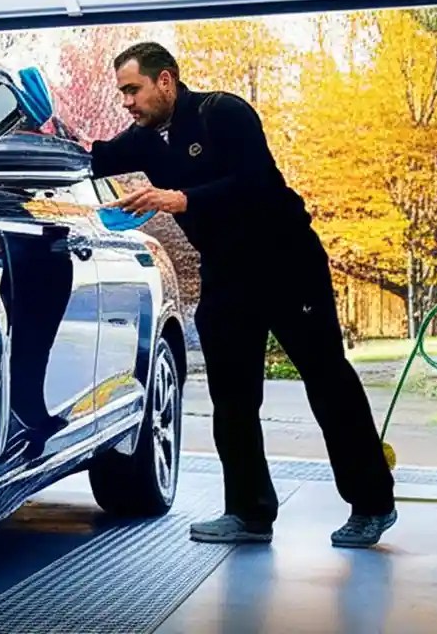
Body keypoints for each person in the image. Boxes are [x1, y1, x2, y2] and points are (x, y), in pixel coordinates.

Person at [85, 41, 397, 548]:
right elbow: (92, 158)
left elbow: (255, 185)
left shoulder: (223, 112)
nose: (127, 102)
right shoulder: (144, 140)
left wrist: (179, 198)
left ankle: (372, 504)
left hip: (287, 263)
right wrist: (27, 127)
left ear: (165, 81)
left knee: (326, 379)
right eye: (122, 92)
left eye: (132, 89)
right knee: (232, 396)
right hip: (227, 275)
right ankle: (249, 513)